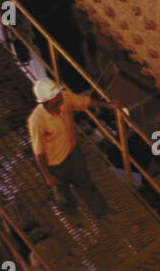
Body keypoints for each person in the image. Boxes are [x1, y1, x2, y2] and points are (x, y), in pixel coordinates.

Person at [29, 76, 115, 217]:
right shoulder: (36, 121)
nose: (59, 100)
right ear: (44, 103)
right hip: (54, 164)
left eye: (58, 97)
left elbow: (84, 102)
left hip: (72, 153)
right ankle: (71, 213)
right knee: (62, 192)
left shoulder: (64, 98)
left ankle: (101, 212)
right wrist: (47, 175)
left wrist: (108, 105)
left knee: (85, 183)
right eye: (54, 100)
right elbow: (38, 152)